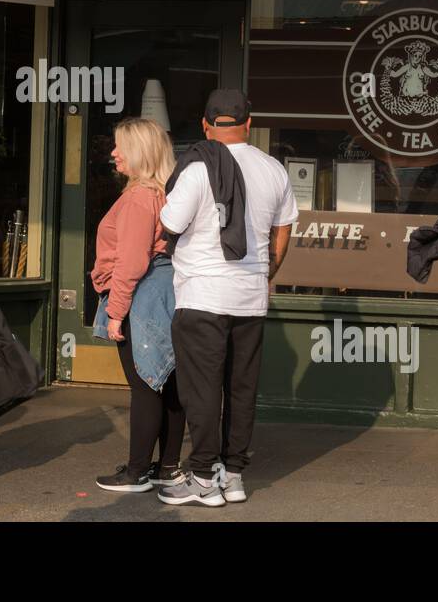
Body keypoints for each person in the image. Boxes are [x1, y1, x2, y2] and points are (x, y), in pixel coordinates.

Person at [158, 89, 297, 507]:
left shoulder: (199, 166)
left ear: (205, 124)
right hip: (250, 297)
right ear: (249, 124)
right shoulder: (273, 169)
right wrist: (266, 271)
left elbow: (171, 221)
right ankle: (231, 475)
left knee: (201, 391)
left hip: (202, 295)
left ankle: (202, 476)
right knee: (241, 388)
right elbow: (285, 229)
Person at [90, 117, 185, 493]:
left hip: (142, 298)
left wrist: (116, 313)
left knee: (145, 386)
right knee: (171, 383)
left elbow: (131, 263)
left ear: (140, 153)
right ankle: (167, 466)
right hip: (168, 293)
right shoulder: (166, 194)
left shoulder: (136, 199)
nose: (113, 153)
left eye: (120, 147)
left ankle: (136, 473)